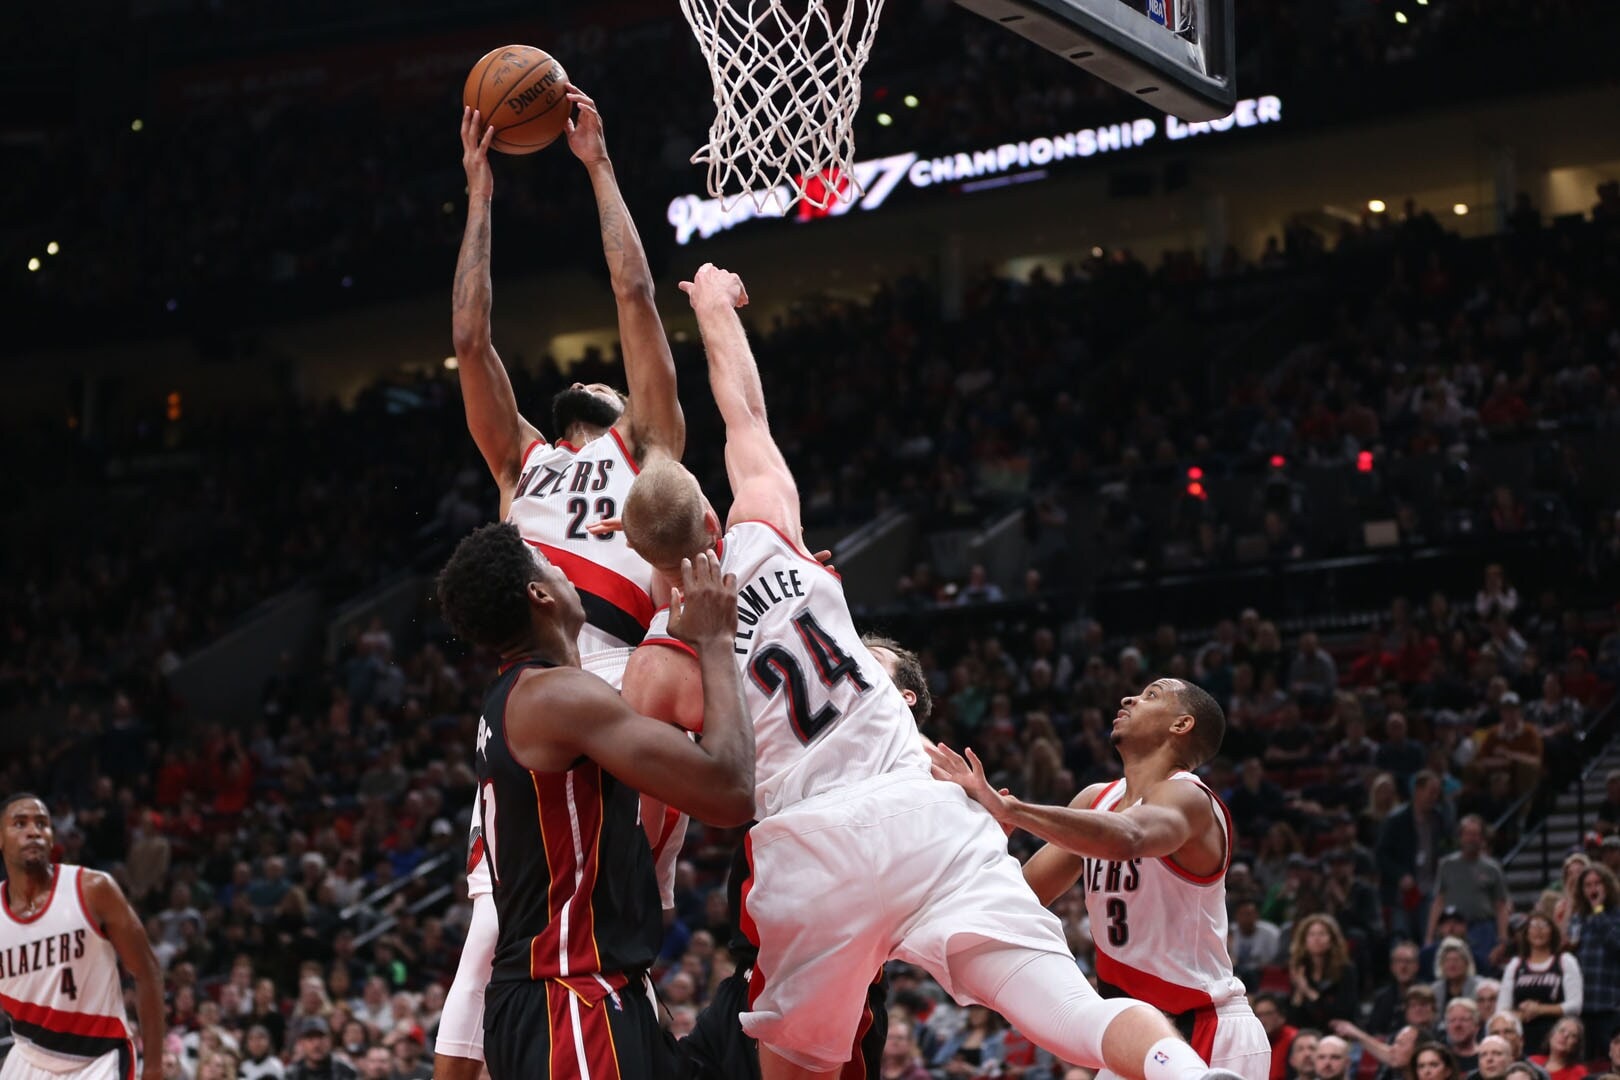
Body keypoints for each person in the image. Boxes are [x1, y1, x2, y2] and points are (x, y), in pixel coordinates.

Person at [617, 263, 1240, 1080]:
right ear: (710, 515)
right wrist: (710, 306)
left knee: (792, 1067)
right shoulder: (768, 525)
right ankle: (1187, 1073)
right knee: (1076, 1013)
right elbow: (744, 412)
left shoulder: (657, 669)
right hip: (922, 809)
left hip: (810, 846)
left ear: (641, 558)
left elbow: (656, 812)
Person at [440, 85, 691, 1080]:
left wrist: (599, 166)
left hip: (630, 691)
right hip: (539, 703)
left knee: (620, 943)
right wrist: (479, 192)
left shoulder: (652, 447)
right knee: (499, 938)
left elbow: (636, 295)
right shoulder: (520, 465)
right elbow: (469, 342)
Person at [434, 524, 758, 1080]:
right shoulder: (557, 700)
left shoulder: (525, 697)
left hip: (587, 994)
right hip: (570, 998)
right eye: (551, 565)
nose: (565, 572)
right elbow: (729, 791)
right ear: (540, 596)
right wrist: (715, 642)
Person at [932, 677, 1268, 1080]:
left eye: (1151, 695)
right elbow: (1024, 895)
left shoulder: (1190, 798)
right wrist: (987, 847)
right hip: (1134, 1031)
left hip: (1205, 1024)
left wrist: (1013, 810)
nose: (1128, 697)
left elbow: (1130, 837)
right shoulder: (1096, 799)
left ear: (1181, 725)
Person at [0, 793, 165, 1080]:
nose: (33, 831)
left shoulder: (93, 890)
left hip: (98, 1061)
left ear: (52, 838)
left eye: (42, 824)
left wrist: (153, 1067)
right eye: (20, 823)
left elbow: (147, 972)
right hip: (28, 1058)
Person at [1428, 816, 1511, 973]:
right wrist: (1430, 936)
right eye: (1467, 834)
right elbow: (1439, 901)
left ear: (1482, 838)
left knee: (1484, 970)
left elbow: (1501, 906)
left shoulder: (1493, 868)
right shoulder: (1446, 865)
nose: (1471, 839)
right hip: (1452, 928)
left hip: (1483, 929)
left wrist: (1503, 940)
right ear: (1460, 837)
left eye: (1476, 834)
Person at [1498, 913, 1583, 1057]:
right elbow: (1501, 1010)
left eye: (1543, 926)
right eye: (1533, 926)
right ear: (1526, 933)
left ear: (1552, 932)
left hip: (1557, 1037)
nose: (1538, 930)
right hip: (1523, 1037)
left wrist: (1539, 1009)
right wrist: (1519, 1015)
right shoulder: (1515, 965)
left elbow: (1575, 1005)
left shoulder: (1565, 961)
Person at [1571, 865, 1620, 1059]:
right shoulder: (1580, 918)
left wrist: (1598, 910)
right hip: (1583, 1003)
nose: (1593, 889)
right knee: (1586, 1061)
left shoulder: (1616, 915)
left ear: (1607, 885)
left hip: (1609, 1002)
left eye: (1597, 883)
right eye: (1587, 885)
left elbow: (1616, 943)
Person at [1286, 916, 1361, 1032]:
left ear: (1332, 940)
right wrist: (1299, 992)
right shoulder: (1301, 970)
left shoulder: (1346, 970)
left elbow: (1342, 1014)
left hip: (1339, 1033)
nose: (1317, 939)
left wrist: (1308, 991)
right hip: (1308, 1033)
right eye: (1311, 935)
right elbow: (1293, 1018)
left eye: (1322, 934)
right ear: (1304, 941)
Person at [284, 1019, 357, 1080]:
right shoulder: (292, 1074)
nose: (317, 1044)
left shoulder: (346, 1071)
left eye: (321, 1038)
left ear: (330, 1041)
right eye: (310, 1039)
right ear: (302, 1043)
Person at [1442, 999, 1483, 1073]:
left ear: (1476, 1026)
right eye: (1452, 1020)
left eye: (1463, 1020)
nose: (1457, 1025)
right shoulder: (1441, 1059)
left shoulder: (1486, 1057)